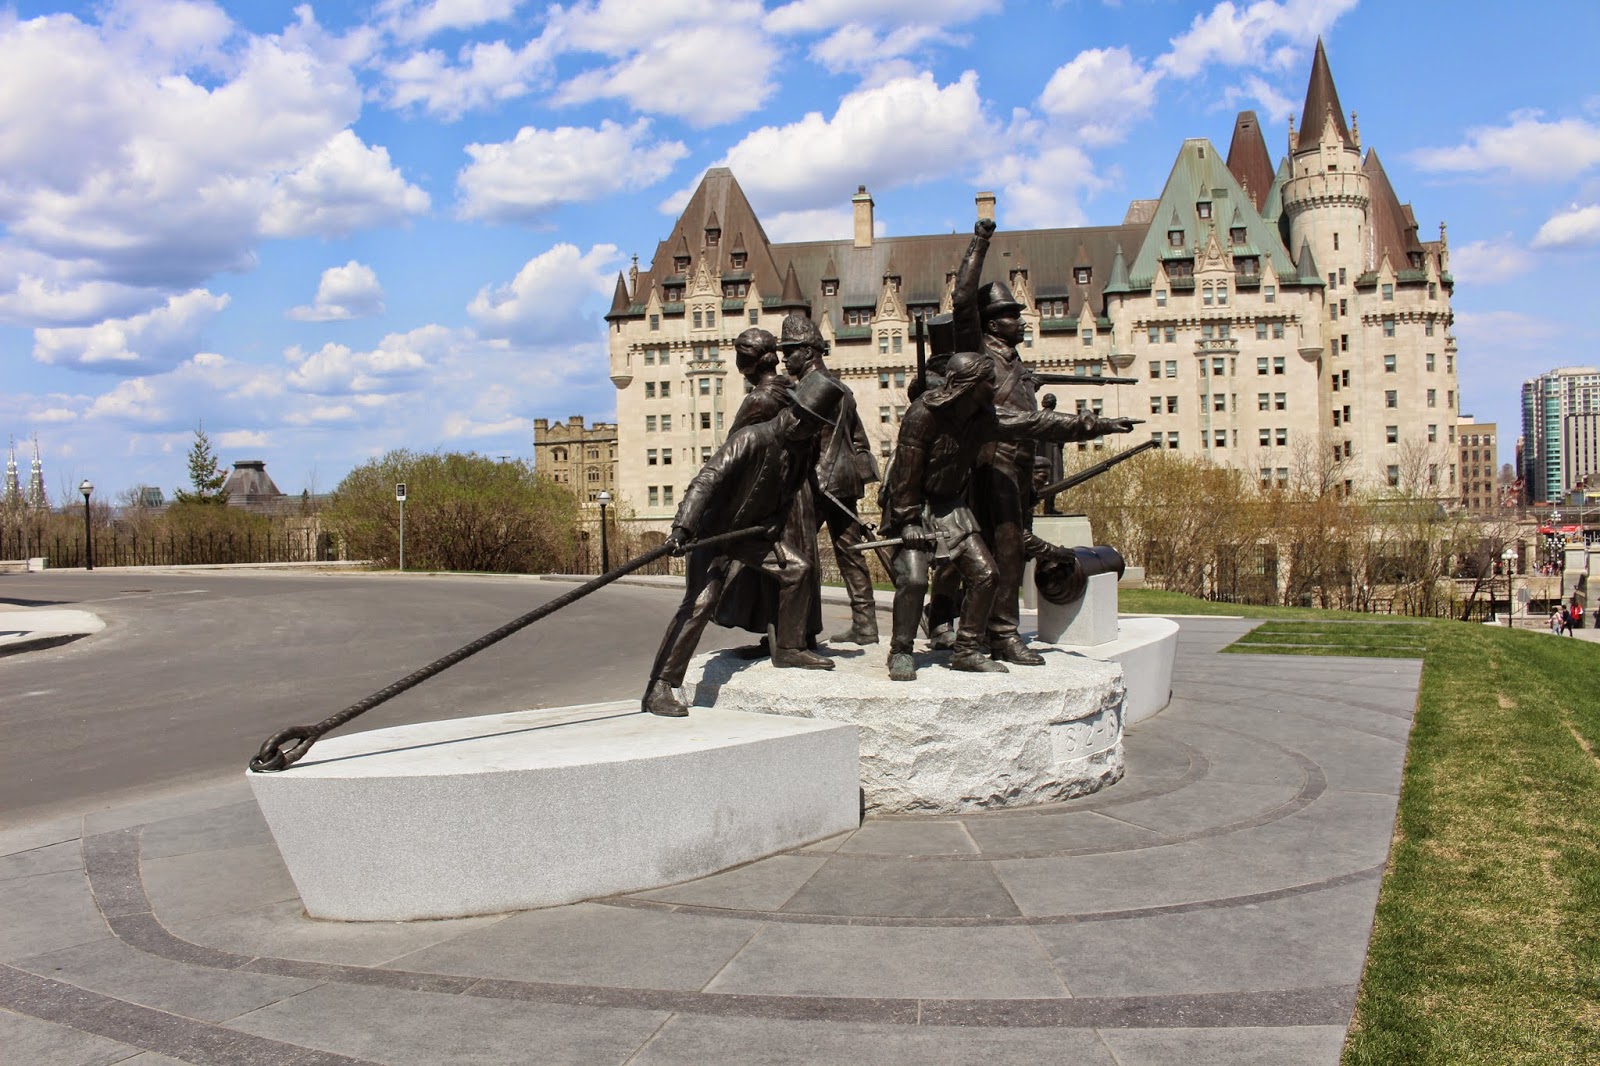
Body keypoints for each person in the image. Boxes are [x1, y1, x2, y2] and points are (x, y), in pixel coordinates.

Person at [879, 350, 1135, 682]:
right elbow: (905, 475)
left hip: (948, 503)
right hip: (912, 504)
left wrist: (1095, 425)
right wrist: (909, 519)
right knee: (913, 579)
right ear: (971, 385)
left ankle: (967, 651)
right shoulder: (923, 415)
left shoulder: (983, 417)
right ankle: (901, 650)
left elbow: (1035, 422)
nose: (996, 385)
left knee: (985, 575)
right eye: (990, 381)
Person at [642, 372, 848, 717]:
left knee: (798, 569)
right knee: (701, 602)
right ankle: (659, 686)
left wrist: (773, 527)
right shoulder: (751, 438)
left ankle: (789, 647)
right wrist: (682, 528)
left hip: (753, 537)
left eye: (814, 425)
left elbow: (787, 494)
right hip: (713, 535)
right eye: (804, 419)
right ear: (792, 412)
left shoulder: (803, 450)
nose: (806, 428)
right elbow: (705, 481)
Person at [951, 217, 1051, 665]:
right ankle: (1000, 634)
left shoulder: (1018, 364)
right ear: (993, 323)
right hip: (989, 467)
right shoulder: (978, 351)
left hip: (1019, 469)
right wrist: (980, 242)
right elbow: (961, 298)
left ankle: (996, 632)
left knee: (1013, 553)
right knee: (1001, 551)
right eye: (1013, 315)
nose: (1020, 322)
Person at [777, 314, 882, 646]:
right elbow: (860, 440)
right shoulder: (844, 388)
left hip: (817, 482)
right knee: (849, 551)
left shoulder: (811, 388)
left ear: (809, 352)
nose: (784, 356)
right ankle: (865, 624)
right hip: (844, 481)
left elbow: (798, 438)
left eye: (790, 350)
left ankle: (800, 629)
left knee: (796, 552)